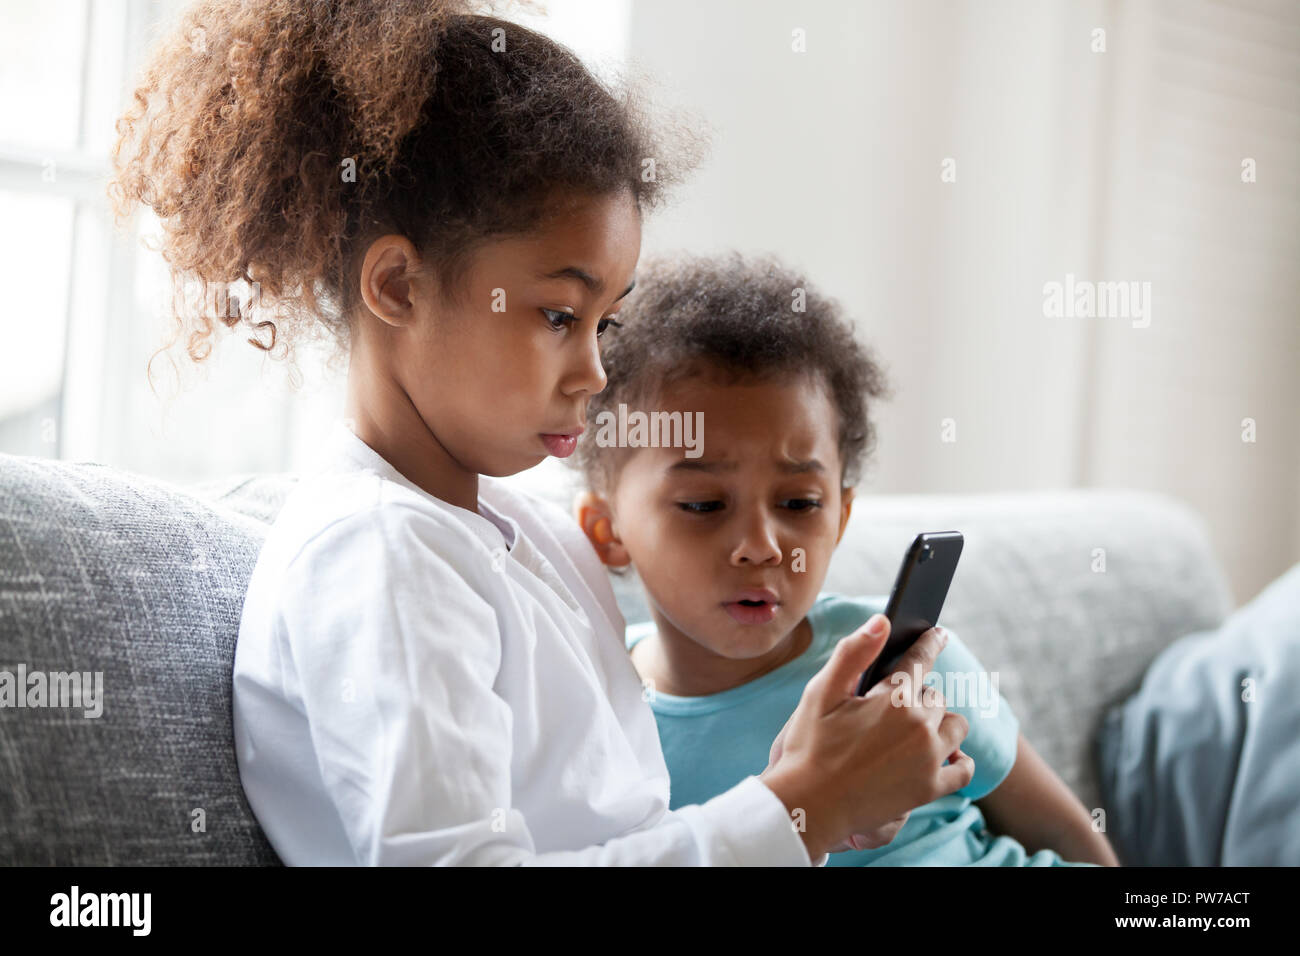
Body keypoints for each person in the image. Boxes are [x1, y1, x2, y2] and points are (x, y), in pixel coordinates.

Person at [107, 0, 973, 865]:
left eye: (607, 324)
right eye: (559, 314)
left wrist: (813, 793)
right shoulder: (380, 554)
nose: (596, 373)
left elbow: (616, 837)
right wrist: (797, 809)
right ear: (400, 287)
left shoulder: (541, 542)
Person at [568, 252, 1120, 866]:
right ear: (607, 529)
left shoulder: (907, 666)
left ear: (841, 516)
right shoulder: (599, 715)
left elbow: (1069, 837)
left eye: (800, 502)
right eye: (703, 505)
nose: (762, 545)